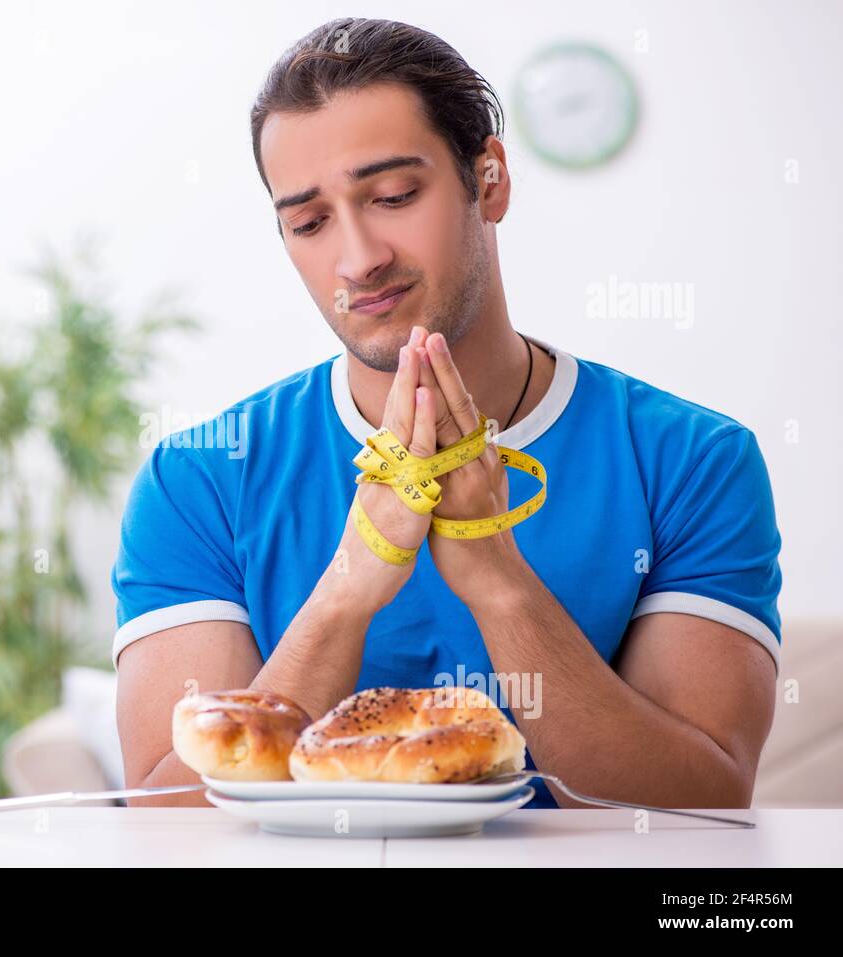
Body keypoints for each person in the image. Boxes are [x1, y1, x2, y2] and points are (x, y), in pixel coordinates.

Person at [111, 18, 781, 809]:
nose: (358, 259)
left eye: (393, 196)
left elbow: (697, 804)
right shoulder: (198, 480)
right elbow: (164, 823)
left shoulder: (694, 463)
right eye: (311, 222)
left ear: (488, 177)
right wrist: (348, 588)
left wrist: (498, 579)